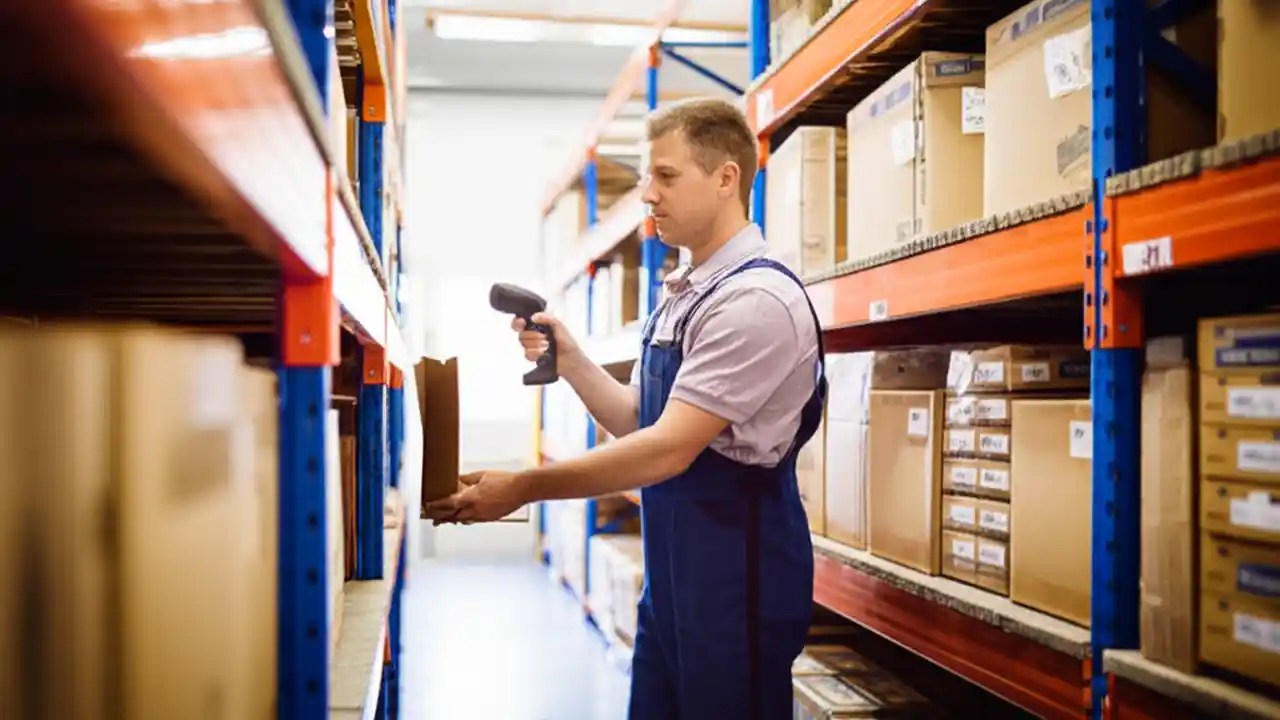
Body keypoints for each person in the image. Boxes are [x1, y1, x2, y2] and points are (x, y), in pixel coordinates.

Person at [424, 97, 826, 719]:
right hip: (674, 584)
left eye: (665, 176)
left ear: (727, 178)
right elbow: (640, 420)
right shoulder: (685, 294)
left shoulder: (754, 302)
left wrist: (525, 487)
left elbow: (666, 450)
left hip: (736, 587)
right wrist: (573, 358)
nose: (646, 194)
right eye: (647, 176)